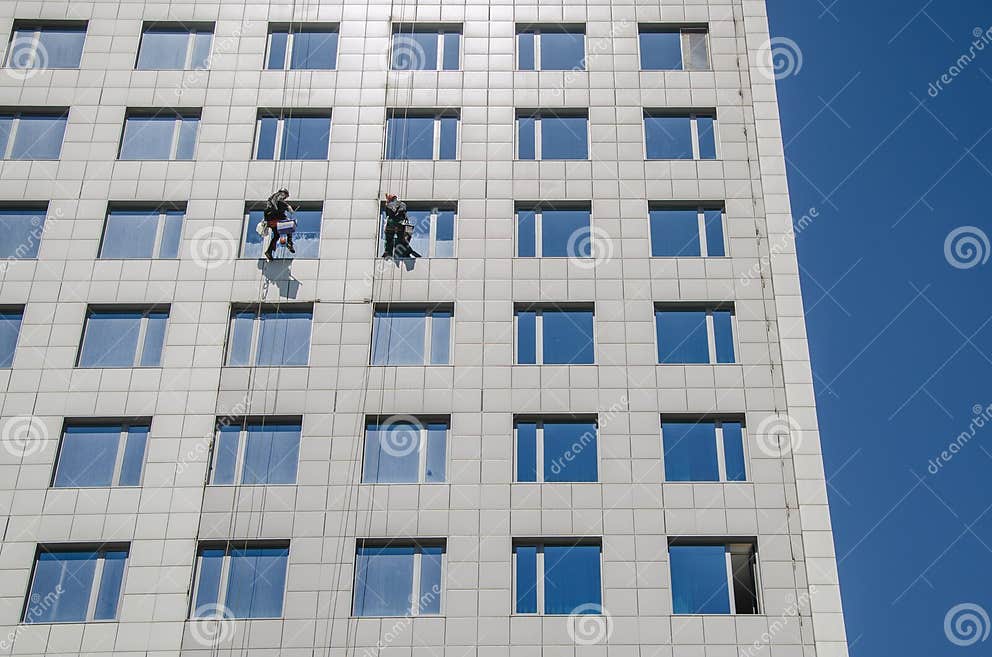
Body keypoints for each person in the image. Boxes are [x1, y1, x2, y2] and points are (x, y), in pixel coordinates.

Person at [382, 193, 421, 259]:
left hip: (396, 224)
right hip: (398, 224)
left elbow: (389, 214)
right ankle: (404, 252)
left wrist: (388, 203)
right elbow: (400, 212)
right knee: (400, 240)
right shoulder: (400, 204)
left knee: (391, 239)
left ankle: (390, 252)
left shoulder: (391, 205)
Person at [263, 188, 296, 261]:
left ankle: (269, 251)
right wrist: (290, 210)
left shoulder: (271, 199)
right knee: (289, 224)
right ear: (283, 193)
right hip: (276, 217)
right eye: (285, 196)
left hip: (270, 220)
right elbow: (285, 205)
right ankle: (289, 243)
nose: (285, 198)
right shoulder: (278, 196)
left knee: (276, 236)